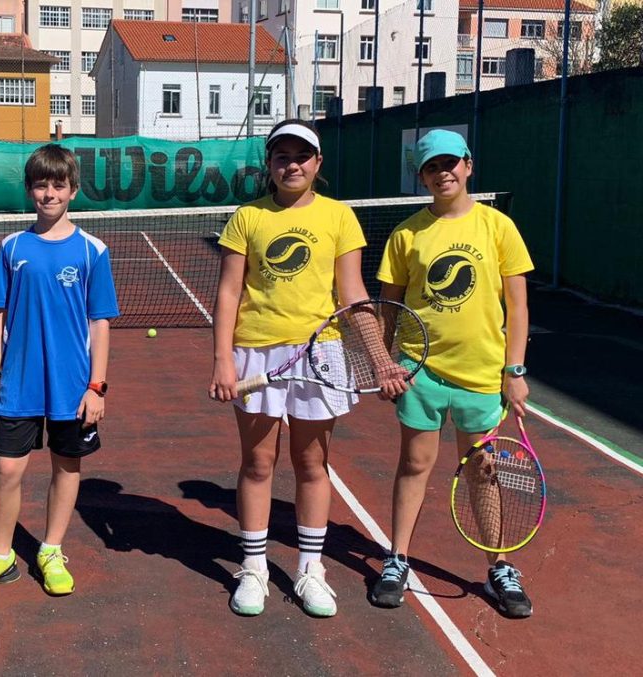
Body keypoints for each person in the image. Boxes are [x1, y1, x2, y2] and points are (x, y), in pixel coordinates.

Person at [210, 119, 409, 618]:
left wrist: (380, 360)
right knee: (258, 463)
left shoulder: (339, 217)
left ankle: (309, 570)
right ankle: (253, 568)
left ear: (318, 163)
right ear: (270, 164)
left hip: (322, 354)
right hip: (256, 351)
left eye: (302, 156)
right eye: (282, 156)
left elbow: (353, 294)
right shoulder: (247, 218)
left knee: (312, 464)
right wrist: (222, 360)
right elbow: (229, 293)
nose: (292, 164)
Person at [371, 129, 535, 618]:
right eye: (431, 167)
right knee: (414, 464)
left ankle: (499, 567)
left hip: (481, 375)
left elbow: (518, 306)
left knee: (482, 471)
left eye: (450, 163)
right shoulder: (407, 235)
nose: (442, 173)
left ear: (468, 166)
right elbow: (389, 307)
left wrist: (514, 370)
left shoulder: (498, 227)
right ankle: (397, 559)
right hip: (420, 372)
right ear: (421, 177)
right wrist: (384, 362)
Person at [0, 144, 119, 598]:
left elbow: (100, 322)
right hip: (18, 382)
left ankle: (50, 550)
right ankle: (0, 555)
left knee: (66, 467)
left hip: (72, 385)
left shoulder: (92, 251)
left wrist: (97, 387)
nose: (49, 194)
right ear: (29, 190)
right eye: (41, 185)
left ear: (73, 190)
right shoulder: (12, 247)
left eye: (58, 185)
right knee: (7, 470)